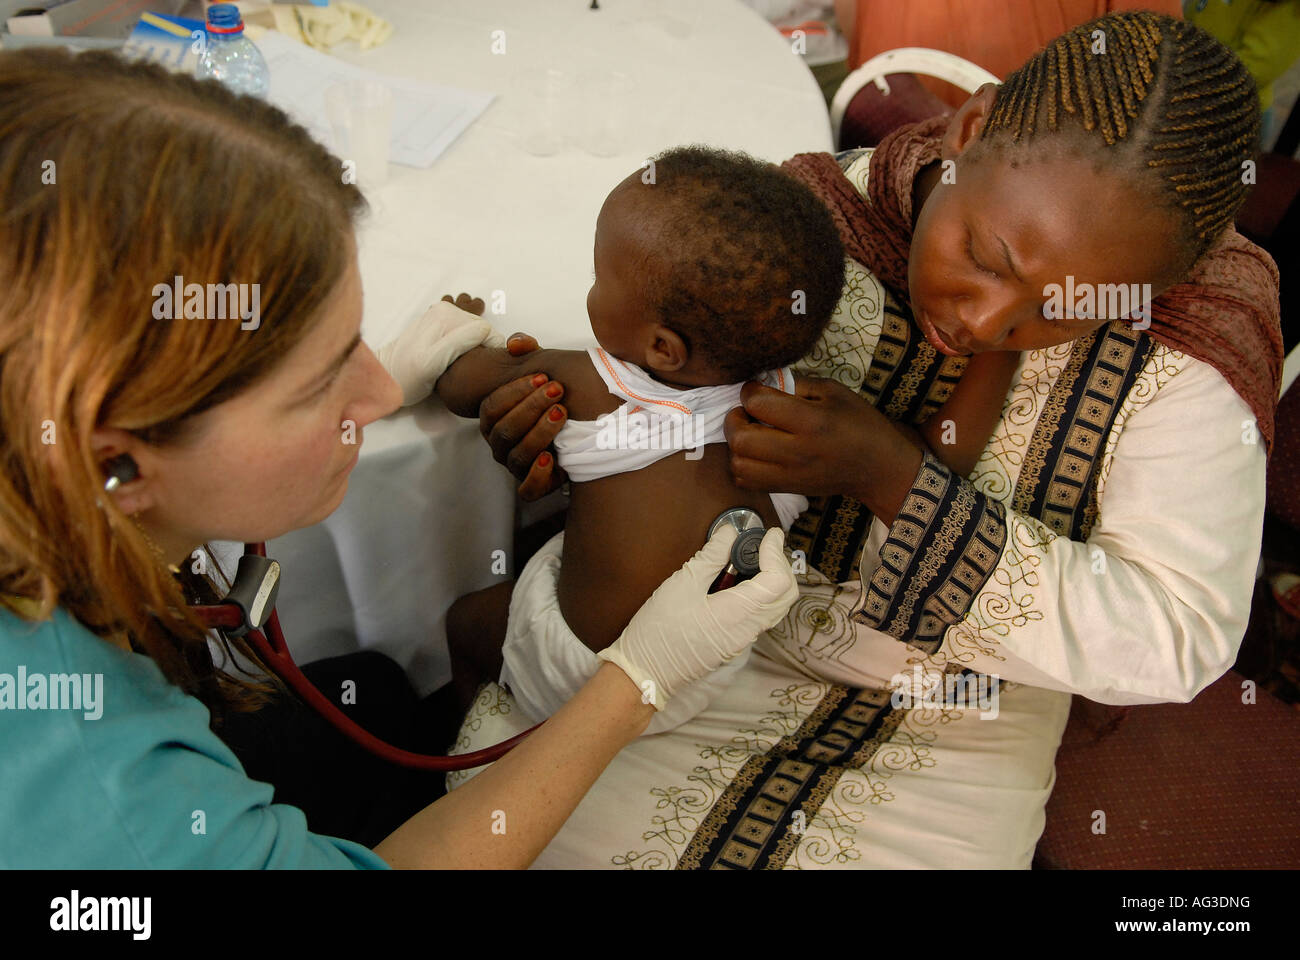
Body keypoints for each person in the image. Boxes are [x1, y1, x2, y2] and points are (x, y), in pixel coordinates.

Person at [458, 10, 1284, 868]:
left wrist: (895, 480)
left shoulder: (1190, 341)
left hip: (961, 711)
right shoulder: (800, 225)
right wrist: (569, 433)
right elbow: (647, 376)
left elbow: (1176, 632)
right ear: (971, 128)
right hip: (693, 642)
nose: (992, 321)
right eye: (988, 256)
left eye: (1065, 311)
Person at [0, 48, 800, 869]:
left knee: (373, 690)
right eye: (317, 384)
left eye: (353, 339)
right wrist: (639, 680)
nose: (381, 396)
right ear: (117, 461)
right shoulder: (98, 792)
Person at [436, 145, 1025, 735]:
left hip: (586, 679)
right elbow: (940, 458)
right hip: (694, 686)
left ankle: (474, 754)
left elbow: (458, 381)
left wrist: (457, 327)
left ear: (664, 348)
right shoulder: (802, 417)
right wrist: (998, 351)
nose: (589, 288)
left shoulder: (591, 383)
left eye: (597, 277)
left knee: (466, 621)